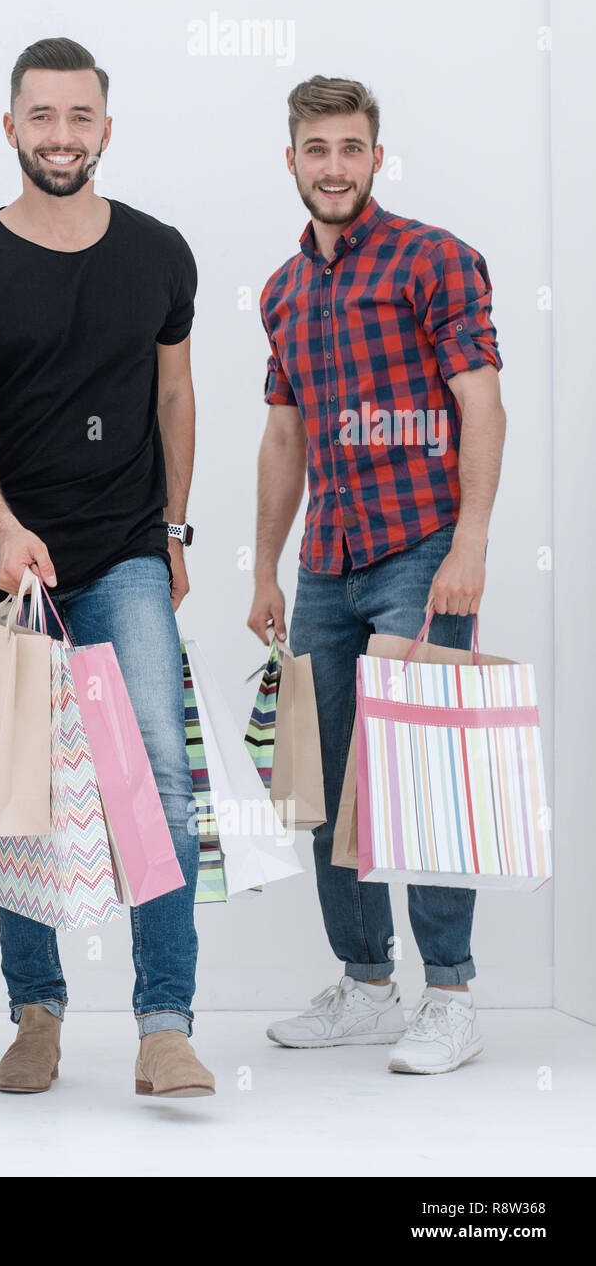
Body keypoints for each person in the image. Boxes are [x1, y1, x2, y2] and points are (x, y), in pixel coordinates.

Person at [0, 37, 213, 1099]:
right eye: (39, 117)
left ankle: (165, 1022)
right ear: (11, 128)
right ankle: (35, 1012)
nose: (59, 136)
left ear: (104, 126)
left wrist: (176, 531)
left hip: (124, 550)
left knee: (157, 773)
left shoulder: (159, 253)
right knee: (16, 790)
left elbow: (175, 397)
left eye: (77, 116)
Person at [249, 76, 506, 1075]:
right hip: (325, 567)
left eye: (351, 148)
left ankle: (450, 996)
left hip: (421, 555)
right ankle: (365, 984)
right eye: (317, 148)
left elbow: (479, 403)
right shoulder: (281, 290)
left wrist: (471, 542)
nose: (334, 166)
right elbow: (283, 436)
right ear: (292, 160)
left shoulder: (433, 259)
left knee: (428, 776)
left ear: (375, 158)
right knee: (319, 783)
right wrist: (266, 568)